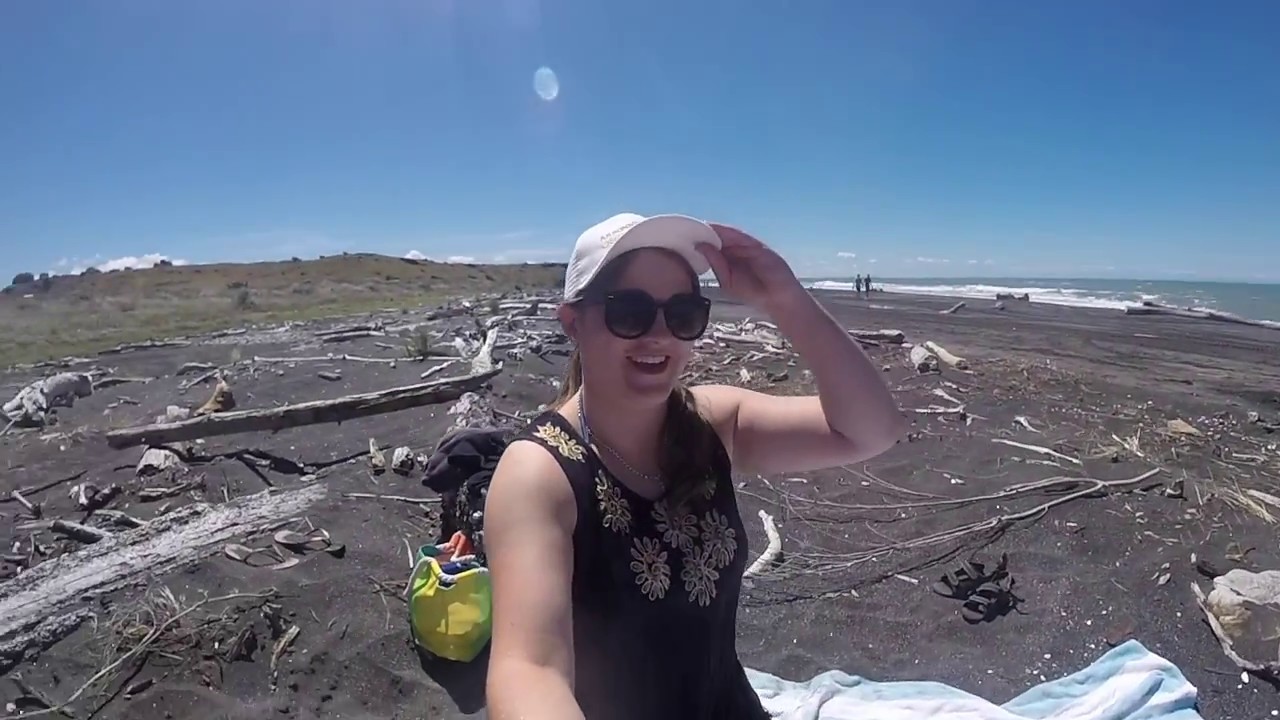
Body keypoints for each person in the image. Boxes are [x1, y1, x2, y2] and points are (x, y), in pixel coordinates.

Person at [483, 212, 907, 720]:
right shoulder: (540, 472)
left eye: (682, 313)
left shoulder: (712, 423)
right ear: (574, 322)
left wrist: (785, 300)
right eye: (630, 310)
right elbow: (529, 671)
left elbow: (871, 430)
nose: (658, 334)